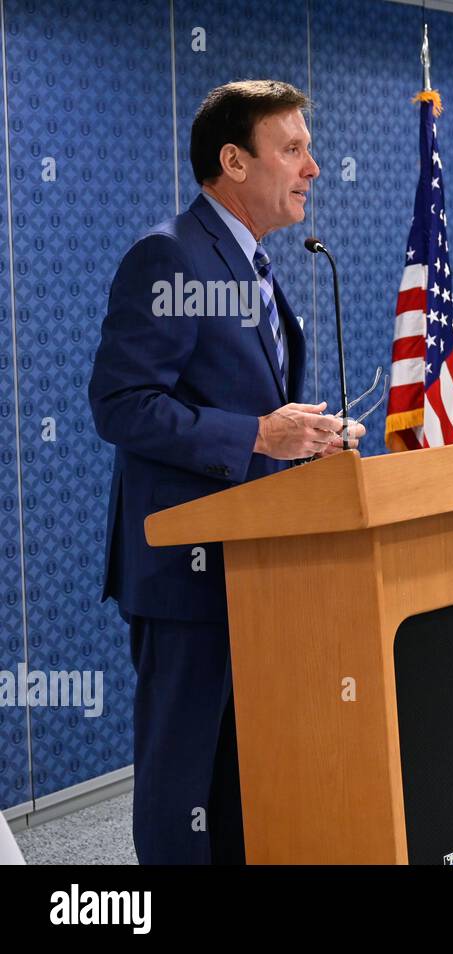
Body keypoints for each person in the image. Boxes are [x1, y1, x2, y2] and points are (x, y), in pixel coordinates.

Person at [88, 80, 365, 864]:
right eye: (293, 149)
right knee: (185, 788)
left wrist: (306, 438)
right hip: (187, 576)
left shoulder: (257, 265)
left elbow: (246, 410)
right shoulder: (169, 255)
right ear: (233, 162)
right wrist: (257, 435)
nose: (313, 166)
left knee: (244, 780)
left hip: (259, 571)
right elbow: (121, 405)